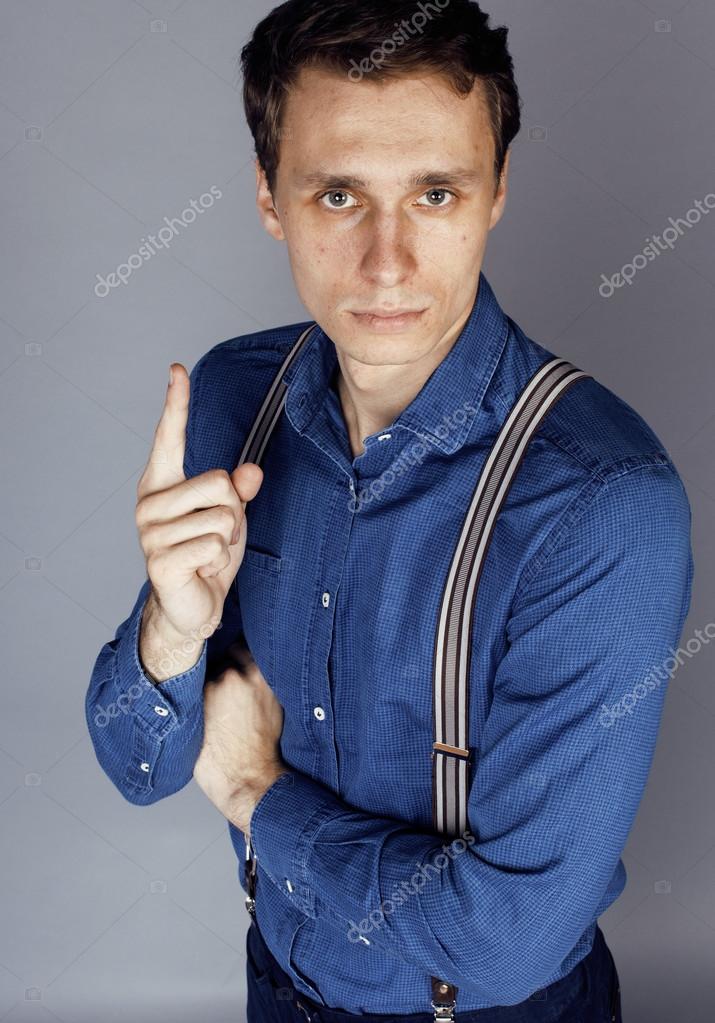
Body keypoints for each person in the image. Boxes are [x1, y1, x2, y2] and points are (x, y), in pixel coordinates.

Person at [86, 2, 694, 1020]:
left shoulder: (600, 503)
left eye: (436, 193)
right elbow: (140, 767)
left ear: (496, 189)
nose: (385, 264)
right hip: (276, 992)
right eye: (335, 195)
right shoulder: (236, 397)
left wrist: (253, 794)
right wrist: (170, 632)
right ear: (268, 198)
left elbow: (502, 946)